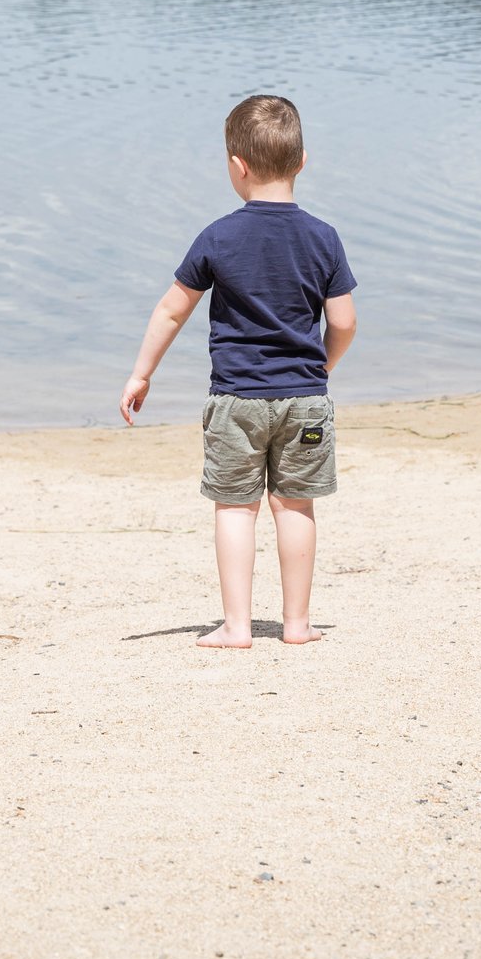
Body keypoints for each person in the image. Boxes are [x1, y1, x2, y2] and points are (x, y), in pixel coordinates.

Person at [121, 95, 357, 649]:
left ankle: (237, 625)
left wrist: (141, 373)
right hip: (305, 400)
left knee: (235, 507)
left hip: (236, 400)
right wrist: (321, 366)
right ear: (302, 161)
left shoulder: (218, 237)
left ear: (237, 165)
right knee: (295, 504)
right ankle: (297, 624)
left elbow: (172, 310)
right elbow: (344, 322)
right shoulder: (323, 237)